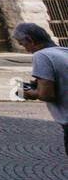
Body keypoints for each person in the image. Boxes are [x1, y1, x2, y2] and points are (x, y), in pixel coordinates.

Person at [12, 22, 67, 156]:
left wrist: (25, 93)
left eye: (23, 44)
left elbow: (46, 95)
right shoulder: (64, 51)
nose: (26, 49)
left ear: (30, 40)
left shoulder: (41, 56)